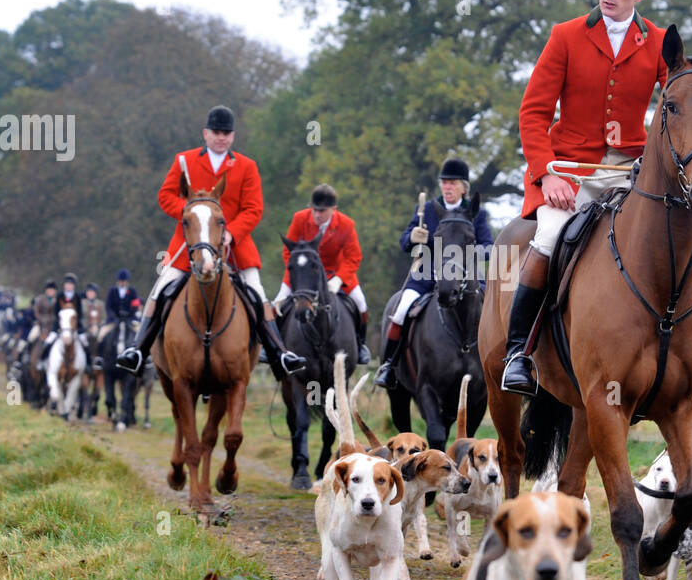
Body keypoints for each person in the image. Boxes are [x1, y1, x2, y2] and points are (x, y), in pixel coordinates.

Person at [500, 0, 692, 399]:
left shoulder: (659, 43)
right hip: (570, 172)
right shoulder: (566, 36)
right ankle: (519, 353)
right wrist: (546, 174)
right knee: (548, 238)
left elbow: (680, 103)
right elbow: (533, 112)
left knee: (691, 242)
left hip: (630, 170)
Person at [117, 105, 304, 378]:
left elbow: (254, 208)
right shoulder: (184, 160)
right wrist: (192, 213)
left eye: (226, 133)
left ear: (233, 136)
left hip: (234, 247)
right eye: (216, 132)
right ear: (205, 134)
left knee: (257, 293)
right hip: (189, 246)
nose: (221, 137)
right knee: (160, 289)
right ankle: (137, 350)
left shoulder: (247, 166)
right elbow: (165, 196)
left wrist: (232, 233)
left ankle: (279, 353)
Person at [375, 157, 494, 389]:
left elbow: (489, 246)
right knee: (400, 311)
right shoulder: (427, 209)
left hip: (465, 274)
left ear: (463, 187)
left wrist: (468, 252)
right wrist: (413, 237)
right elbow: (404, 242)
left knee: (496, 311)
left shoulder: (476, 212)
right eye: (444, 182)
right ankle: (389, 365)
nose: (447, 187)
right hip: (428, 271)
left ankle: (504, 362)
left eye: (452, 183)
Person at [273, 184, 371, 363]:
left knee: (361, 303)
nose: (317, 215)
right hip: (303, 275)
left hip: (335, 274)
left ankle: (360, 344)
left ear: (334, 209)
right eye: (314, 209)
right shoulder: (300, 219)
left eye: (322, 211)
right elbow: (288, 252)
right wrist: (298, 273)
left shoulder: (346, 224)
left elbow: (354, 257)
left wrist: (339, 279)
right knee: (277, 304)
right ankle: (274, 348)